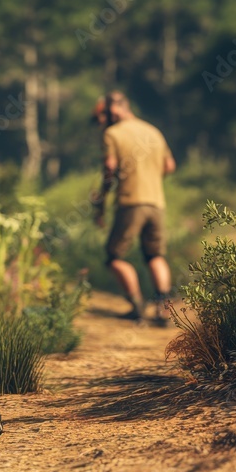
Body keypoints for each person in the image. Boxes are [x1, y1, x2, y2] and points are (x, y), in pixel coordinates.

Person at [90, 92, 176, 321]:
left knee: (114, 256)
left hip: (131, 202)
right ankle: (163, 309)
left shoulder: (113, 134)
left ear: (113, 111)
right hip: (156, 203)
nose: (100, 122)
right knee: (155, 255)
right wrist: (149, 175)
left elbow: (109, 168)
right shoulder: (153, 131)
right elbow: (169, 165)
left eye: (101, 116)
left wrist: (103, 197)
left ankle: (137, 306)